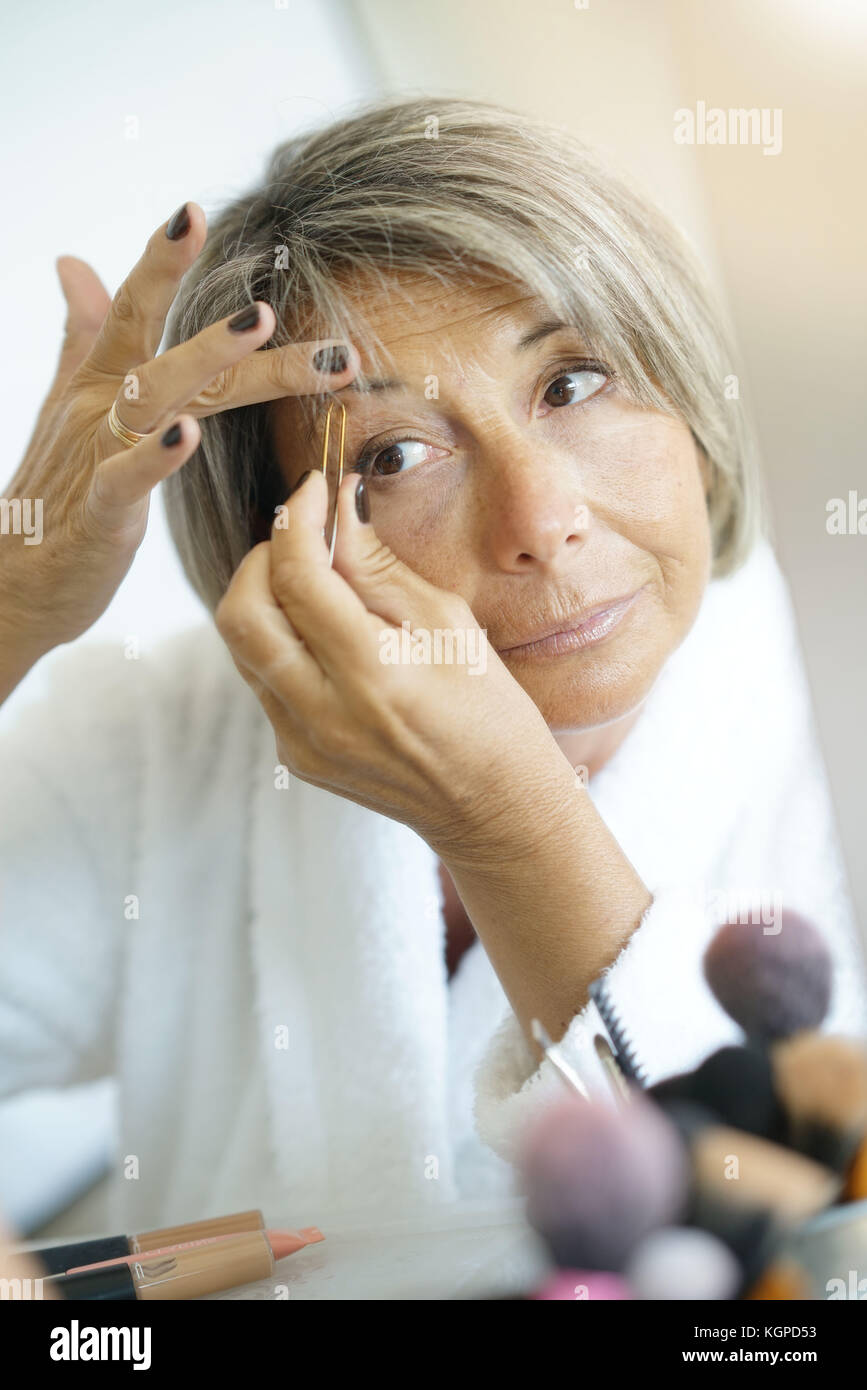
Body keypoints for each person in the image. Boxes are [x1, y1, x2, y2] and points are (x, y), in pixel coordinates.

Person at [1, 96, 864, 1233]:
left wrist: (508, 820)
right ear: (277, 542)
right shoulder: (161, 747)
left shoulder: (814, 698)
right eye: (397, 453)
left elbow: (795, 1253)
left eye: (572, 382)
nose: (542, 518)